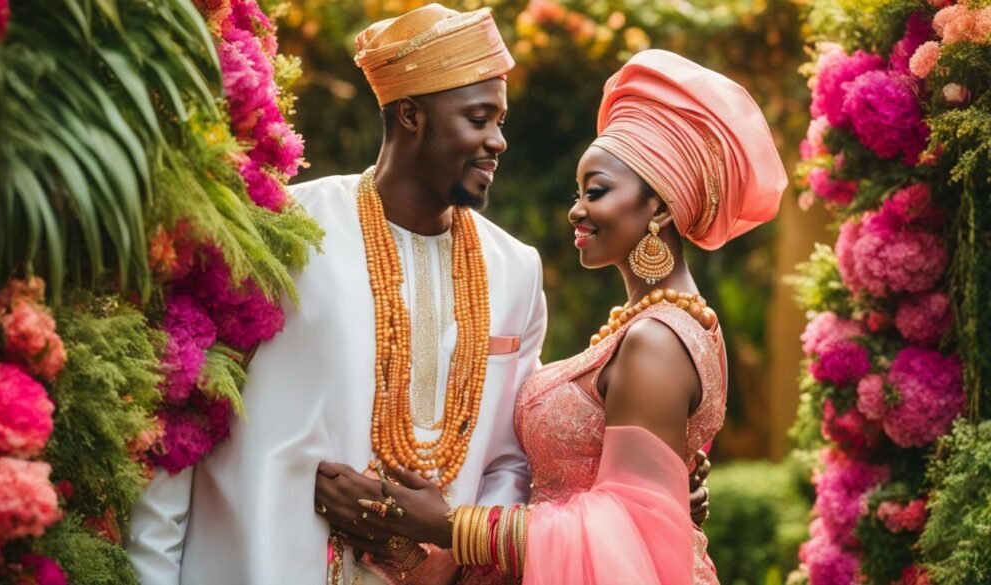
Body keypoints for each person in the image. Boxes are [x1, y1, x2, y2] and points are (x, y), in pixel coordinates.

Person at [126, 6, 709, 583]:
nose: (498, 141)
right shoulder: (287, 228)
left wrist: (445, 541)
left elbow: (509, 458)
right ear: (410, 116)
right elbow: (189, 418)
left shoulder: (515, 269)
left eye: (500, 120)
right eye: (479, 119)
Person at [314, 49, 786, 585]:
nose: (577, 210)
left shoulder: (657, 339)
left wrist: (446, 525)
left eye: (597, 192)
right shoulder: (652, 323)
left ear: (658, 207)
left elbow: (621, 529)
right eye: (578, 192)